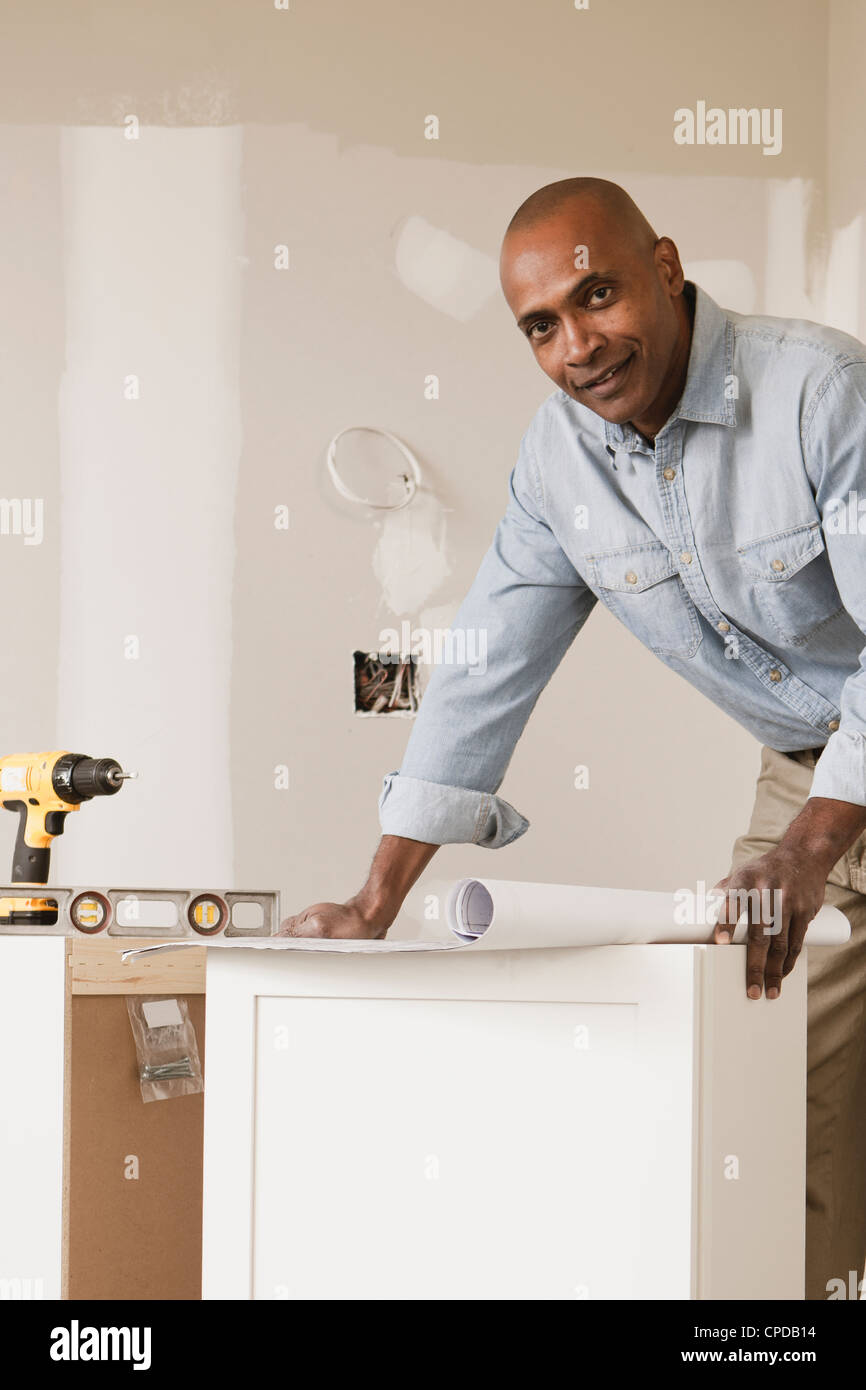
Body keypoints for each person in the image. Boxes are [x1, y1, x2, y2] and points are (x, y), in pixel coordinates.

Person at [282, 177, 866, 1300]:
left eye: (595, 294)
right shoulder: (559, 466)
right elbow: (484, 666)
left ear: (665, 265)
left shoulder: (820, 394)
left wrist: (803, 851)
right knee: (776, 1109)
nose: (576, 345)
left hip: (824, 806)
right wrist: (375, 899)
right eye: (539, 326)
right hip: (805, 769)